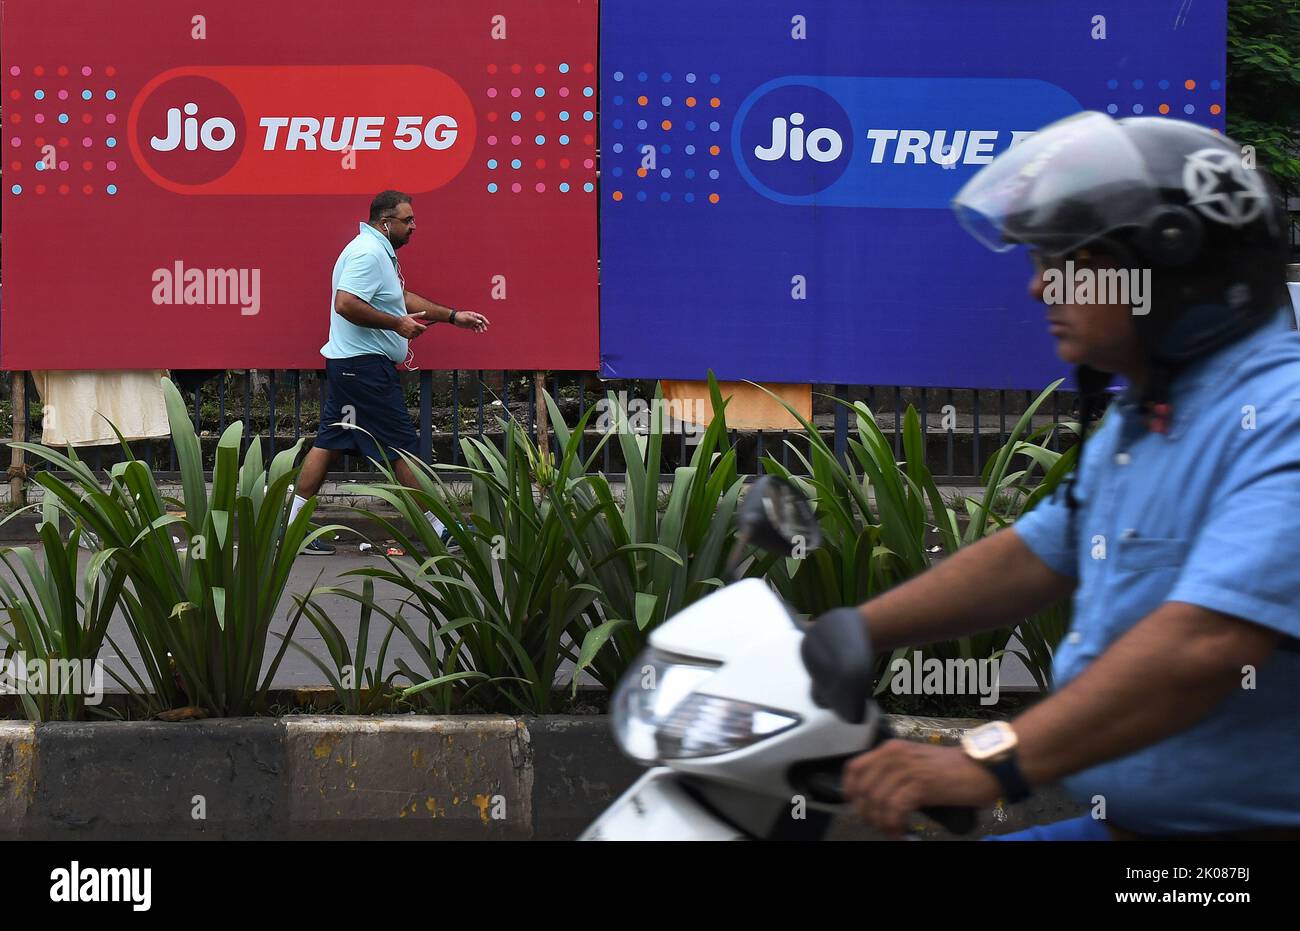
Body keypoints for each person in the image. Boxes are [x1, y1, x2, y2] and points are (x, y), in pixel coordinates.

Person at [802, 112, 1300, 840]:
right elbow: (1036, 554)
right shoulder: (1151, 415)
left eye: (1065, 261)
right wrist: (854, 628)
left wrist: (989, 763)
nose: (1039, 290)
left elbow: (1210, 644)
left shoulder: (1280, 417)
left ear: (1165, 267)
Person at [291, 190, 490, 554]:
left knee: (330, 441)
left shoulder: (376, 251)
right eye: (408, 220)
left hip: (351, 366)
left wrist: (452, 316)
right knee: (402, 448)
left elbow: (400, 299)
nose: (414, 226)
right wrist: (396, 325)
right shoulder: (368, 253)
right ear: (386, 222)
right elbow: (346, 303)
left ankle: (288, 527)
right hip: (363, 368)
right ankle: (439, 528)